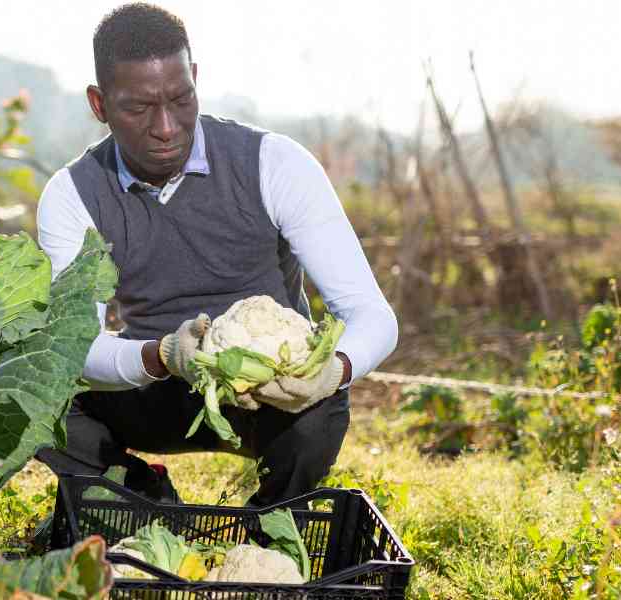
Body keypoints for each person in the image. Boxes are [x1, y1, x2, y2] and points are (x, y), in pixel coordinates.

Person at [34, 2, 398, 507]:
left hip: (268, 395)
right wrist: (159, 356)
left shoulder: (275, 163)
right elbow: (72, 350)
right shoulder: (73, 194)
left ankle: (269, 523)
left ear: (196, 79)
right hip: (155, 389)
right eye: (138, 109)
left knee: (324, 412)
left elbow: (371, 314)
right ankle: (142, 497)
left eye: (181, 99)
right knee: (31, 395)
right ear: (99, 104)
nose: (166, 126)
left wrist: (332, 371)